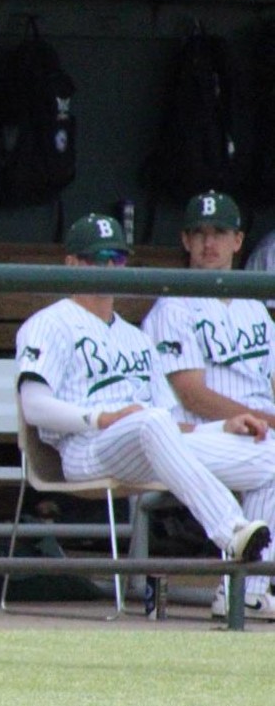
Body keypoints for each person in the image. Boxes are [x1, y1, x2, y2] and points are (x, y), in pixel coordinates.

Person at [18, 212, 275, 616]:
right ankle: (231, 530)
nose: (108, 268)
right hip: (86, 449)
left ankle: (247, 593)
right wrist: (100, 418)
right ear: (71, 263)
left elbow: (171, 423)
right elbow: (34, 406)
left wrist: (220, 428)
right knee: (148, 420)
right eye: (96, 258)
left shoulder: (135, 337)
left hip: (149, 444)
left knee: (267, 455)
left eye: (116, 259)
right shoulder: (49, 323)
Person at [140, 191, 275, 619]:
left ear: (238, 241)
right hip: (199, 436)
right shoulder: (174, 305)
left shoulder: (254, 307)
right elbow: (192, 393)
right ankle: (245, 591)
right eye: (199, 233)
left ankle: (249, 589)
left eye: (219, 233)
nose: (208, 243)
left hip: (255, 431)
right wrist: (267, 420)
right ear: (185, 241)